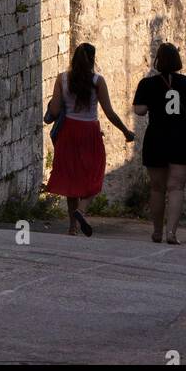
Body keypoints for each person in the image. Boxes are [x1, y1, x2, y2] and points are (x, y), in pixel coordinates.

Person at [45, 42, 134, 236]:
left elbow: (54, 110)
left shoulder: (62, 79)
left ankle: (72, 227)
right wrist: (126, 131)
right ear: (93, 60)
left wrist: (54, 103)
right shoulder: (97, 81)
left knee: (71, 177)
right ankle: (82, 210)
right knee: (95, 173)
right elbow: (109, 112)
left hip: (67, 131)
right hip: (89, 131)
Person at [133, 43, 186, 244]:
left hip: (156, 136)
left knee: (157, 188)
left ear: (157, 60)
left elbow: (139, 110)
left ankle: (156, 231)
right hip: (181, 137)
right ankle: (171, 233)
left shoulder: (147, 84)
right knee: (176, 188)